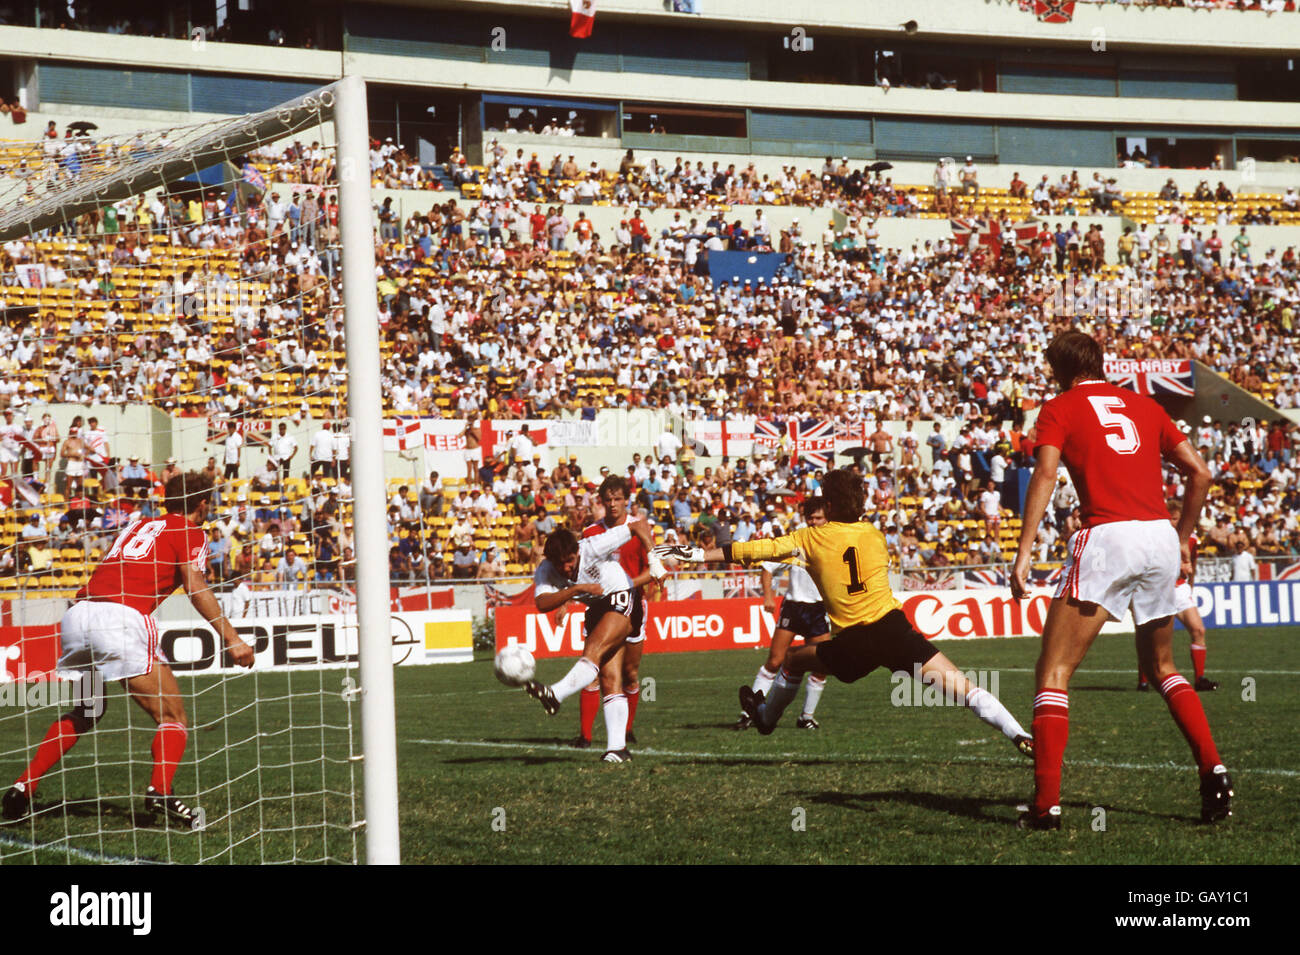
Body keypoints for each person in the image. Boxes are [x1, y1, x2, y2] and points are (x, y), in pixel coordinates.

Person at [1010, 330, 1229, 830]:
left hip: (1109, 535)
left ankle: (1046, 807)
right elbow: (1200, 472)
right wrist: (1182, 536)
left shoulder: (1059, 406)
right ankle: (1213, 769)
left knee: (1054, 671)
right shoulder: (1143, 405)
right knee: (1163, 667)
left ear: (1060, 368)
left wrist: (1023, 552)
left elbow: (1045, 475)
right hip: (1159, 537)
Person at [655, 469, 1032, 755]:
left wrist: (693, 553)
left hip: (854, 642)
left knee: (793, 659)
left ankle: (767, 718)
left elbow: (756, 550)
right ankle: (1019, 733)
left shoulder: (810, 538)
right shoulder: (873, 534)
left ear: (829, 505)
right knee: (964, 689)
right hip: (896, 631)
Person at [2, 472, 255, 826]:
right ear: (202, 504)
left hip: (79, 616)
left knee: (87, 711)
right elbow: (195, 585)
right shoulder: (189, 531)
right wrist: (232, 638)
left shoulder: (137, 526)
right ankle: (160, 793)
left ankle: (20, 789)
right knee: (173, 717)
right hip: (119, 620)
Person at [522, 518, 666, 763]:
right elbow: (541, 603)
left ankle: (555, 693)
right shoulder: (546, 569)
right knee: (609, 679)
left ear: (577, 552)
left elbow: (639, 525)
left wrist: (654, 560)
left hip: (621, 595)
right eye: (560, 564)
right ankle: (617, 749)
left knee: (594, 653)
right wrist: (575, 590)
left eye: (569, 561)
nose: (566, 568)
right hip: (597, 606)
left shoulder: (593, 546)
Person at [734, 496, 832, 731]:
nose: (813, 521)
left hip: (819, 610)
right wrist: (768, 597)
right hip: (794, 607)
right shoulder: (797, 542)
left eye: (818, 517)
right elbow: (767, 568)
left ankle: (806, 717)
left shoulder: (833, 542)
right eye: (810, 517)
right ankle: (748, 713)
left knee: (821, 665)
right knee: (775, 660)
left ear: (827, 518)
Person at [573, 477, 655, 750]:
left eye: (617, 499)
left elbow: (651, 570)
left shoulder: (639, 529)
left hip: (632, 607)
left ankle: (627, 730)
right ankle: (585, 736)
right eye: (607, 499)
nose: (612, 504)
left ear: (626, 500)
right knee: (592, 668)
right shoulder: (591, 533)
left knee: (630, 674)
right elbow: (575, 573)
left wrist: (629, 585)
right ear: (601, 501)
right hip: (599, 608)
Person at [1138, 503, 1217, 693]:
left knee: (1198, 630)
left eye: (1178, 519)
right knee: (1154, 638)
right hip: (1159, 587)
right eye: (1172, 518)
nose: (1176, 522)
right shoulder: (1155, 539)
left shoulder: (1190, 539)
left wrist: (1190, 584)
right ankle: (1143, 681)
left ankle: (1200, 679)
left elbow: (1194, 560)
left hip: (1180, 587)